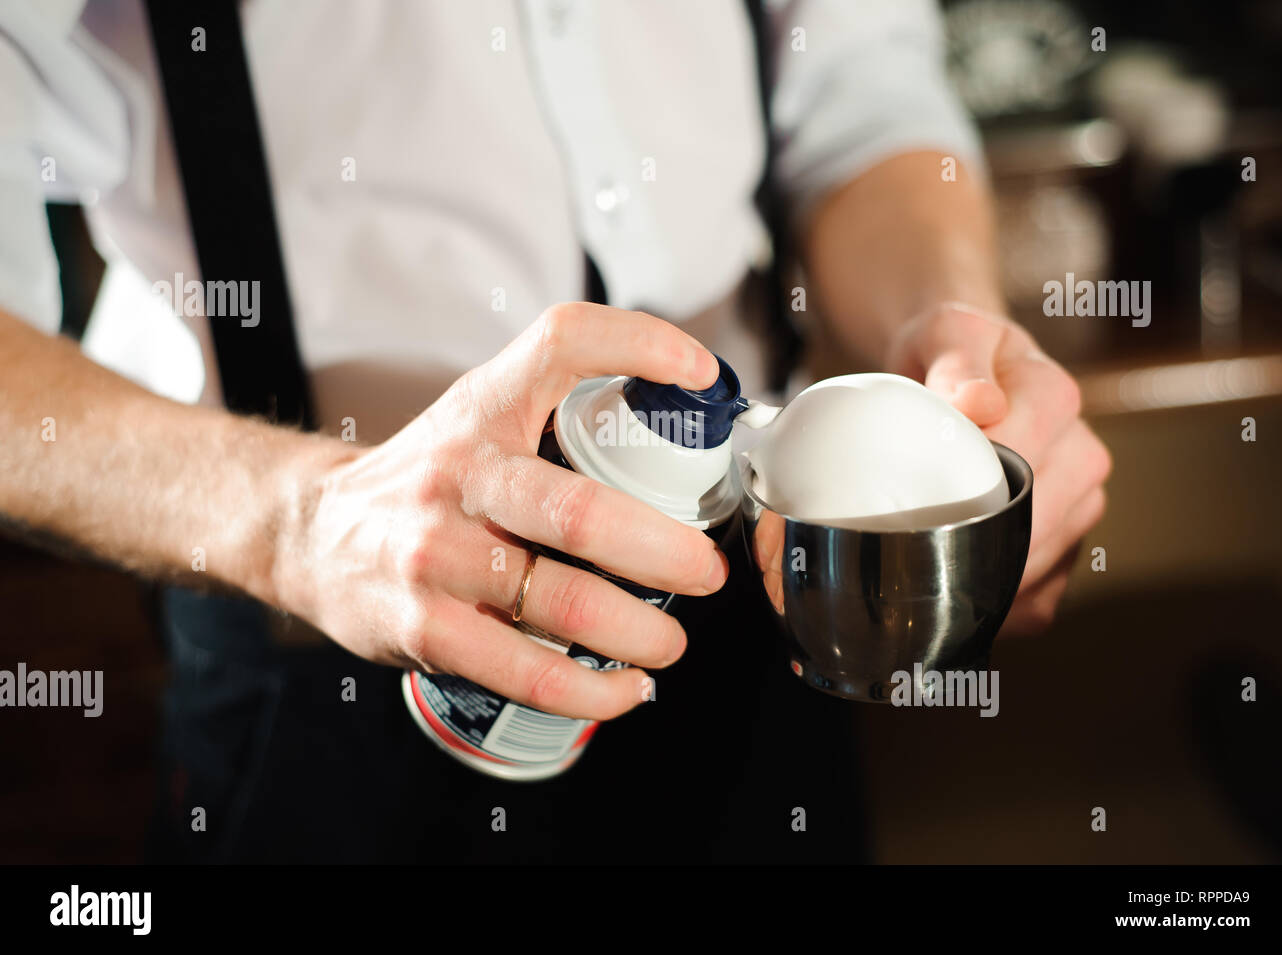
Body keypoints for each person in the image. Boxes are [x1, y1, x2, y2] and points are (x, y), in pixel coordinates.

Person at [0, 0, 1110, 863]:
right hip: (326, 661)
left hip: (746, 626)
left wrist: (947, 351)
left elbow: (860, 95)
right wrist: (306, 520)